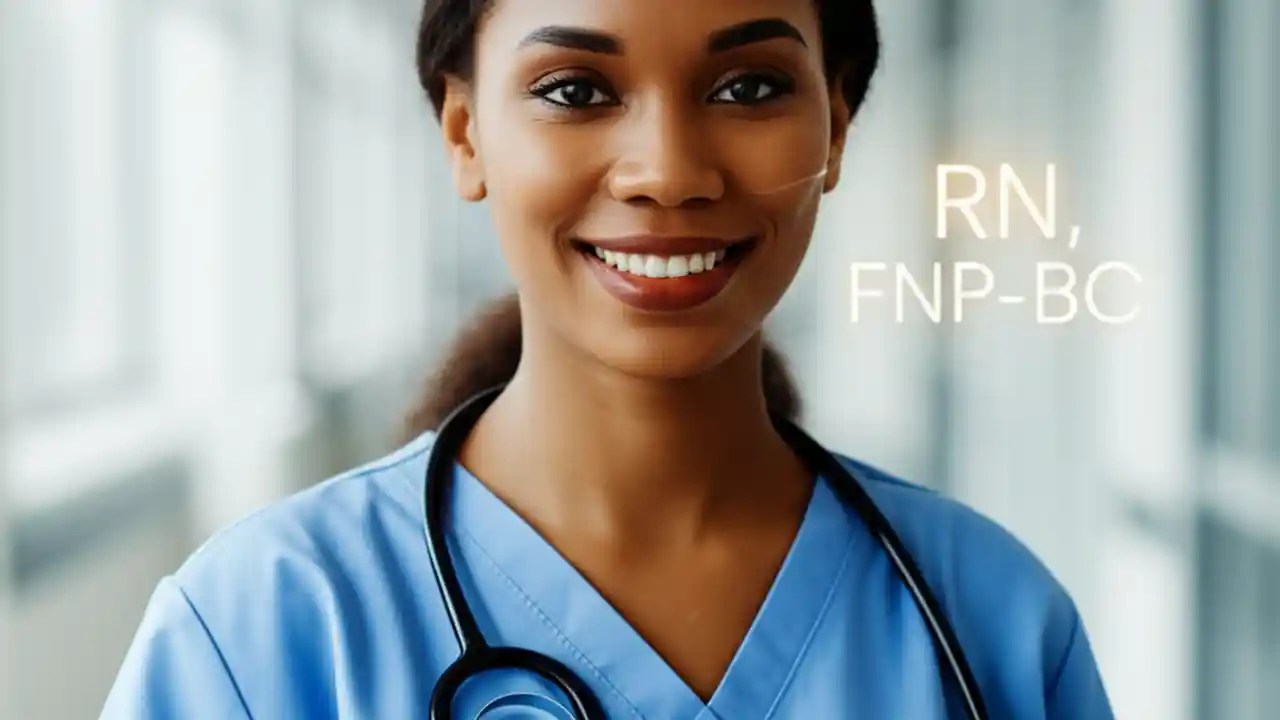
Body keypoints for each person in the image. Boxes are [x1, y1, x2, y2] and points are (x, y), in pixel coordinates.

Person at [102, 0, 1115, 717]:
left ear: (836, 126)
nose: (667, 172)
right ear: (464, 135)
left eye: (749, 84)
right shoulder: (258, 629)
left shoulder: (991, 622)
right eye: (576, 89)